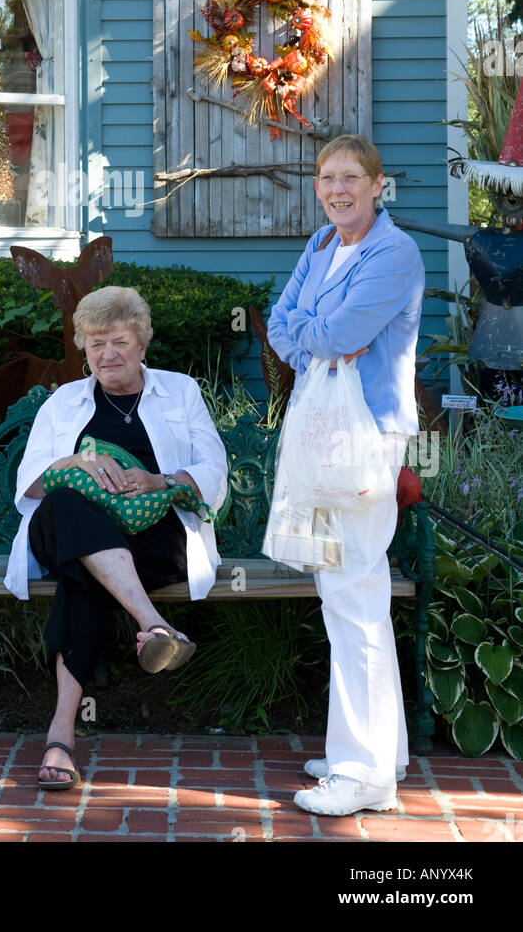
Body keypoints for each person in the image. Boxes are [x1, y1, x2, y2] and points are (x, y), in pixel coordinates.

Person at [4, 285, 228, 790]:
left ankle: (61, 734)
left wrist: (159, 481)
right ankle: (152, 623)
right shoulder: (64, 403)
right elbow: (29, 487)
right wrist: (73, 462)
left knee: (83, 578)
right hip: (63, 529)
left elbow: (214, 470)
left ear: (143, 344)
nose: (108, 354)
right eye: (96, 343)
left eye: (120, 342)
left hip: (153, 535)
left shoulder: (181, 392)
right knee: (66, 502)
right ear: (84, 349)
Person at [266, 133, 425, 817]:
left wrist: (316, 332)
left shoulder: (395, 252)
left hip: (366, 437)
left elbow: (331, 337)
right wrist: (318, 332)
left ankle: (363, 776)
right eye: (327, 178)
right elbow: (282, 326)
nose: (337, 189)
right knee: (348, 598)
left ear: (377, 184)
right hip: (323, 432)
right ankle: (373, 751)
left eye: (351, 178)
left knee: (355, 598)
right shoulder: (322, 246)